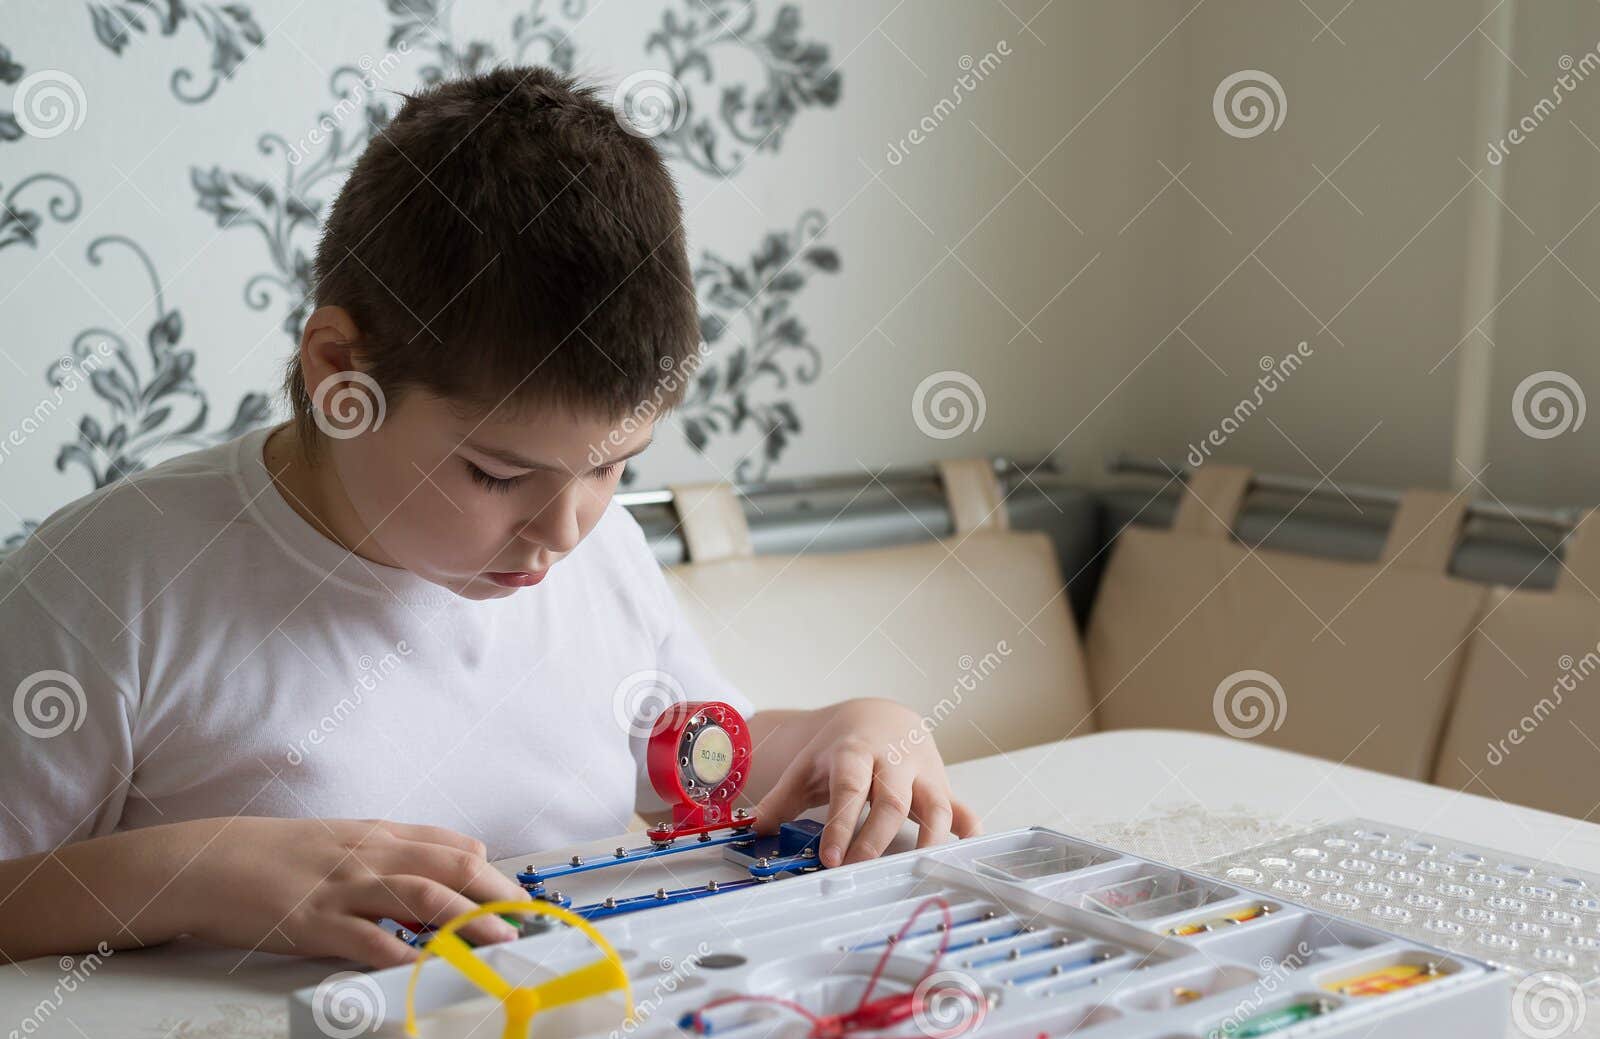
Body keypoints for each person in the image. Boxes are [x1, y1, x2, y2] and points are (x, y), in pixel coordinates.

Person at [0, 66, 977, 970]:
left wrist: (851, 730)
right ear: (343, 378)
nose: (562, 532)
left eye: (612, 468)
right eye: (497, 475)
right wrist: (196, 874)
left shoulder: (604, 550)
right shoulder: (109, 582)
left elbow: (691, 758)